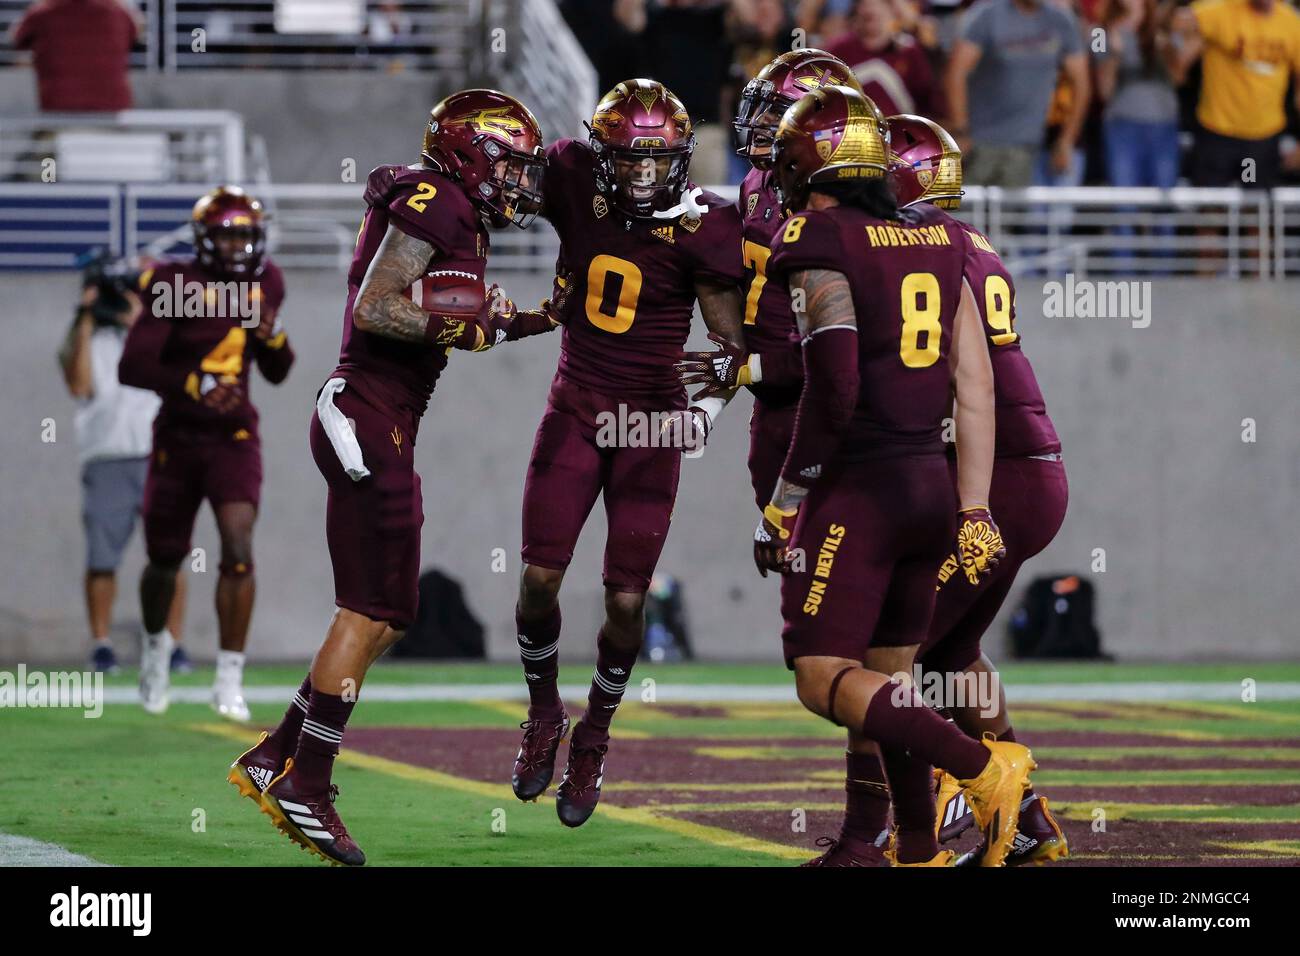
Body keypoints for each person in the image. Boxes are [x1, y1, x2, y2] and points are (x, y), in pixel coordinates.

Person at [228, 90, 561, 867]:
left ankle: (276, 752)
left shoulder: (454, 215)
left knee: (392, 611)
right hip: (362, 410)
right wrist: (464, 323)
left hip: (383, 419)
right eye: (508, 163)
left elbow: (460, 308)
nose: (517, 181)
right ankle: (306, 781)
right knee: (371, 606)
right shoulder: (436, 201)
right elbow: (380, 308)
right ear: (469, 152)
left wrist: (539, 318)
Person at [755, 84, 1034, 867]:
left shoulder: (818, 239)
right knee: (889, 683)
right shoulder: (940, 239)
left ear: (810, 163)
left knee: (820, 678)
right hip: (931, 488)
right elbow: (974, 386)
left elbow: (834, 386)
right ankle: (916, 848)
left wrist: (785, 501)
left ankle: (985, 767)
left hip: (864, 492)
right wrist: (972, 507)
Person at [510, 79, 746, 829]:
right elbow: (497, 181)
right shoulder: (573, 173)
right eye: (629, 161)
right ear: (601, 153)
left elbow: (730, 349)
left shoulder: (706, 226)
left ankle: (596, 735)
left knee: (626, 599)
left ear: (680, 157)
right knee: (541, 578)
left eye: (658, 161)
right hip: (576, 406)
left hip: (651, 423)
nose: (643, 175)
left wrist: (704, 411)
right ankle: (544, 713)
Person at [888, 112, 1070, 866]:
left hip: (993, 475)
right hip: (1029, 472)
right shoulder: (972, 246)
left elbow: (948, 383)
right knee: (953, 653)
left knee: (883, 663)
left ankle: (925, 825)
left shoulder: (921, 251)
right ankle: (1027, 822)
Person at [119, 186, 293, 720]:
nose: (239, 244)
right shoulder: (175, 281)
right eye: (228, 234)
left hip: (234, 436)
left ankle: (229, 677)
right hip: (178, 434)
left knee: (238, 546)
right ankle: (155, 650)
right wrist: (193, 383)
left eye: (246, 233)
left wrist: (274, 338)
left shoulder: (267, 281)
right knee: (164, 559)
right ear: (204, 238)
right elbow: (133, 366)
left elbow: (278, 371)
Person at [59, 259, 187, 674]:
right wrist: (84, 314)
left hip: (158, 452)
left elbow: (169, 368)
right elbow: (79, 384)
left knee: (170, 556)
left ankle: (171, 645)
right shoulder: (85, 340)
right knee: (102, 557)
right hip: (107, 455)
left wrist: (140, 314)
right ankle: (101, 644)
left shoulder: (153, 329)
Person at [944, 0, 1090, 187]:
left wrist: (1067, 139)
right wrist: (960, 129)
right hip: (979, 144)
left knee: (1015, 214)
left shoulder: (1060, 20)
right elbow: (956, 73)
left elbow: (1082, 82)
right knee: (966, 213)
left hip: (1027, 146)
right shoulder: (986, 15)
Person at [1168, 0, 1300, 188]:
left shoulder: (1291, 23)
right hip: (1217, 133)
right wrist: (1179, 44)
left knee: (1252, 201)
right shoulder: (1219, 11)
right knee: (1211, 203)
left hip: (1259, 139)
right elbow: (1179, 24)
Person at [9, 0, 139, 111]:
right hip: (113, 116)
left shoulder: (43, 12)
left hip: (59, 116)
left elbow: (17, 38)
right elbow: (134, 36)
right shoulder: (118, 12)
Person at [823, 0, 940, 117]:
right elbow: (820, 85)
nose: (871, 9)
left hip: (897, 129)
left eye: (880, 4)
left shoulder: (909, 51)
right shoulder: (839, 48)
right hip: (851, 129)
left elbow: (927, 97)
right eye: (865, 4)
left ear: (893, 11)